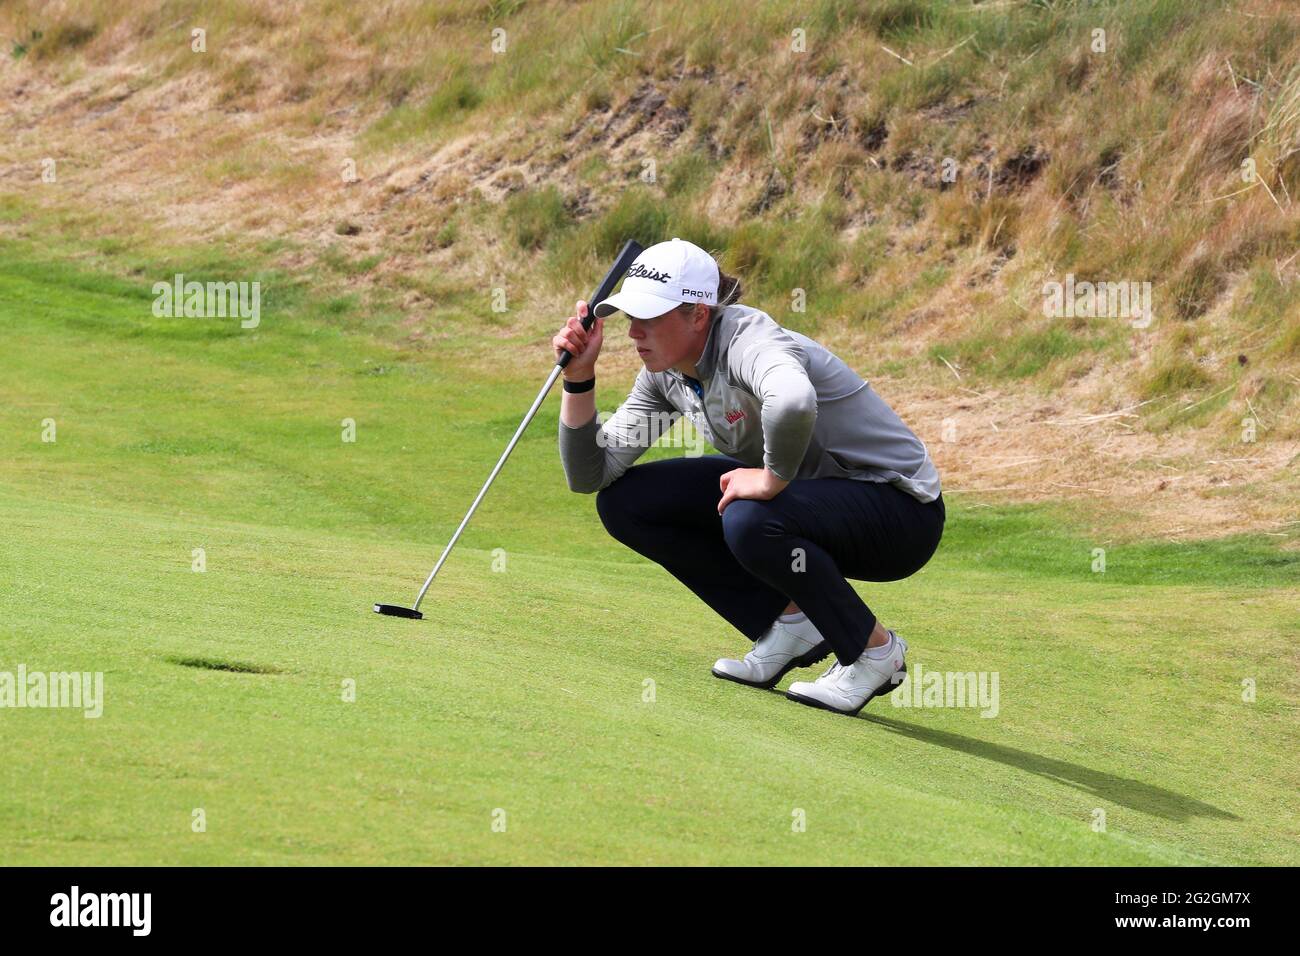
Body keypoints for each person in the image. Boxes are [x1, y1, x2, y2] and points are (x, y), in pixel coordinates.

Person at [552, 238, 944, 717]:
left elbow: (794, 400)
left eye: (649, 317)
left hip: (899, 511)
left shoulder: (748, 341)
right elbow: (592, 473)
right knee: (626, 503)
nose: (634, 332)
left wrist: (772, 479)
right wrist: (579, 379)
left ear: (698, 314)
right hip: (811, 501)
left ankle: (874, 652)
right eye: (630, 317)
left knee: (749, 516)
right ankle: (788, 622)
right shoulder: (666, 377)